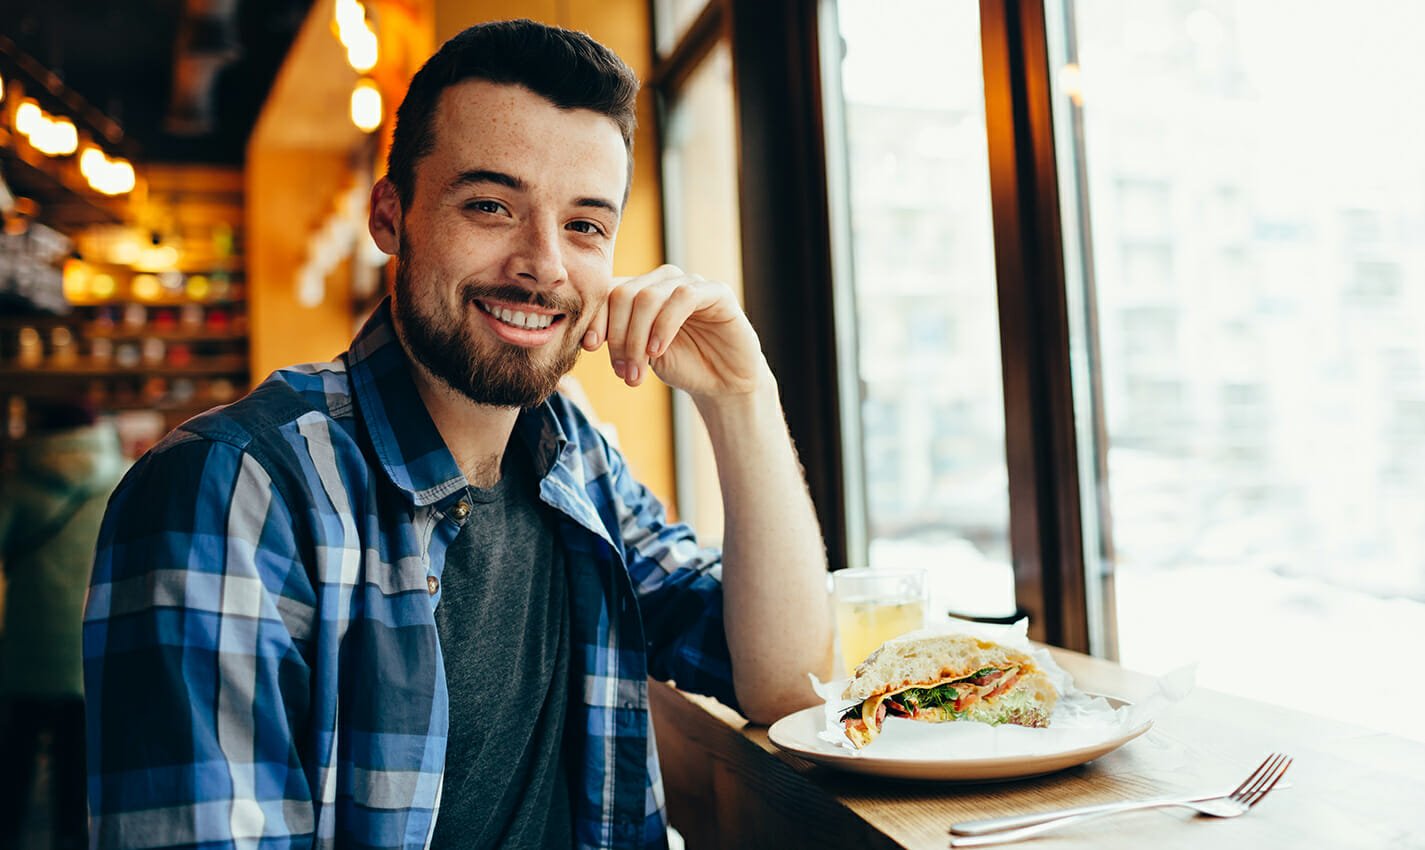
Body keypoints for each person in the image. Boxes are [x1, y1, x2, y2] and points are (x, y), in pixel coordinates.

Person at [83, 18, 832, 850]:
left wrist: (742, 396)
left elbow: (787, 682)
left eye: (585, 225)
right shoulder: (231, 487)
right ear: (390, 217)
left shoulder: (570, 450)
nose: (543, 264)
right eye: (489, 205)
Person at [1, 402, 126, 850]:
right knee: (78, 760)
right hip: (96, 641)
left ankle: (10, 834)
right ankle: (72, 838)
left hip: (28, 648)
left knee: (16, 757)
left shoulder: (17, 486)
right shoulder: (124, 476)